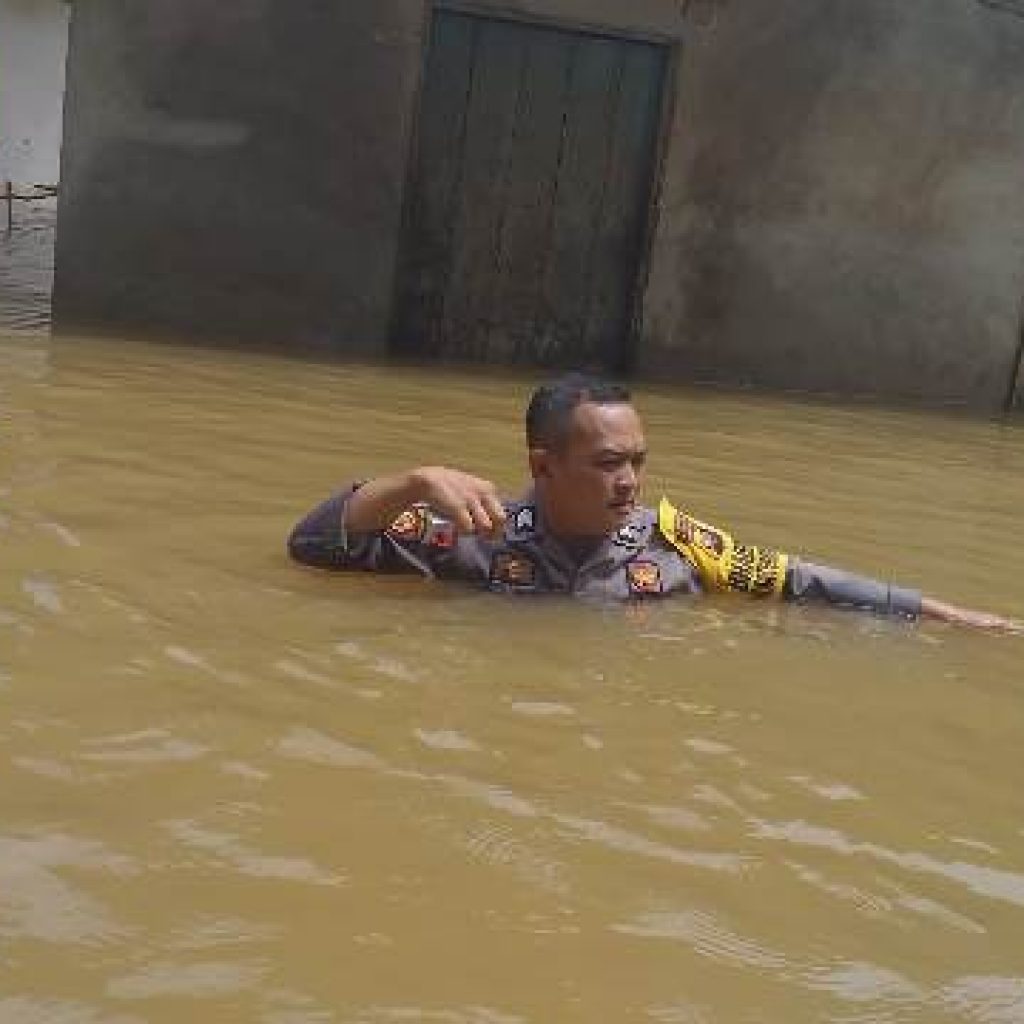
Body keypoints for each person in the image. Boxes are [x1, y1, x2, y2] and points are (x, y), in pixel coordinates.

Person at [288, 373, 1020, 630]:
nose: (630, 482)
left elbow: (801, 582)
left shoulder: (678, 548)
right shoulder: (475, 537)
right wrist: (413, 482)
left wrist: (947, 615)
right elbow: (313, 546)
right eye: (608, 464)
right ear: (543, 465)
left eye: (638, 461)